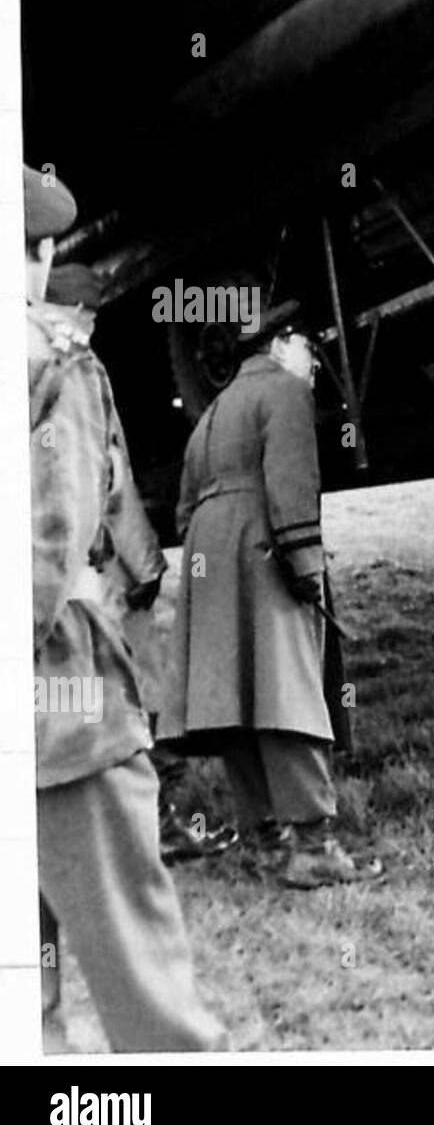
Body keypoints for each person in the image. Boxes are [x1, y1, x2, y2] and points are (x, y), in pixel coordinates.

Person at [27, 164, 226, 1051]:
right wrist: (146, 576)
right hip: (58, 692)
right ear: (34, 258)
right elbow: (81, 514)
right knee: (142, 974)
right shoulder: (60, 370)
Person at [157, 301, 378, 889]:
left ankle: (263, 843)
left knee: (234, 706)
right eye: (311, 348)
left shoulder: (211, 412)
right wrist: (305, 563)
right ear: (281, 343)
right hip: (264, 549)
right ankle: (314, 847)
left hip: (212, 558)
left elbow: (183, 510)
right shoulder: (283, 392)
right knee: (289, 698)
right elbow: (290, 481)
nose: (315, 363)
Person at [44, 262, 235, 865]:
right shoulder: (78, 375)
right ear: (77, 313)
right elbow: (112, 485)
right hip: (103, 581)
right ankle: (161, 829)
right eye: (92, 313)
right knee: (141, 706)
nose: (95, 324)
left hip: (61, 589)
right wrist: (145, 569)